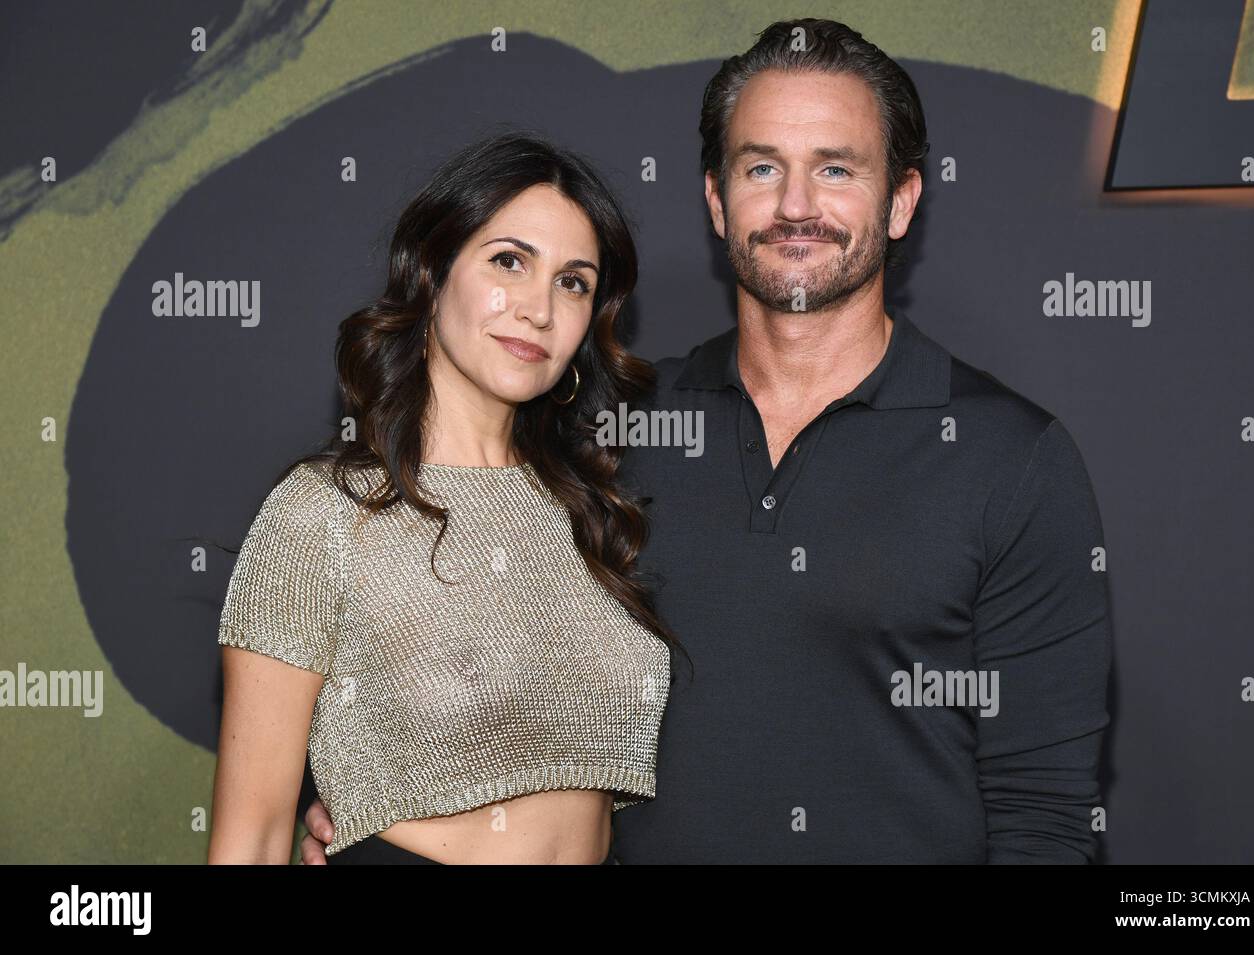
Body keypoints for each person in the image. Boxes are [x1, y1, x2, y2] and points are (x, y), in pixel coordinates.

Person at [301, 18, 1112, 864]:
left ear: (901, 201)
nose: (796, 205)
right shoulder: (605, 430)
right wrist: (375, 803)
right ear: (718, 201)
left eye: (835, 169)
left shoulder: (1011, 459)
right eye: (763, 167)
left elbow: (1045, 821)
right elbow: (450, 646)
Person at [208, 132, 681, 865]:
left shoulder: (596, 508)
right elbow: (253, 840)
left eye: (574, 282)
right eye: (508, 261)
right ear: (432, 272)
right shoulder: (323, 515)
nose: (538, 309)